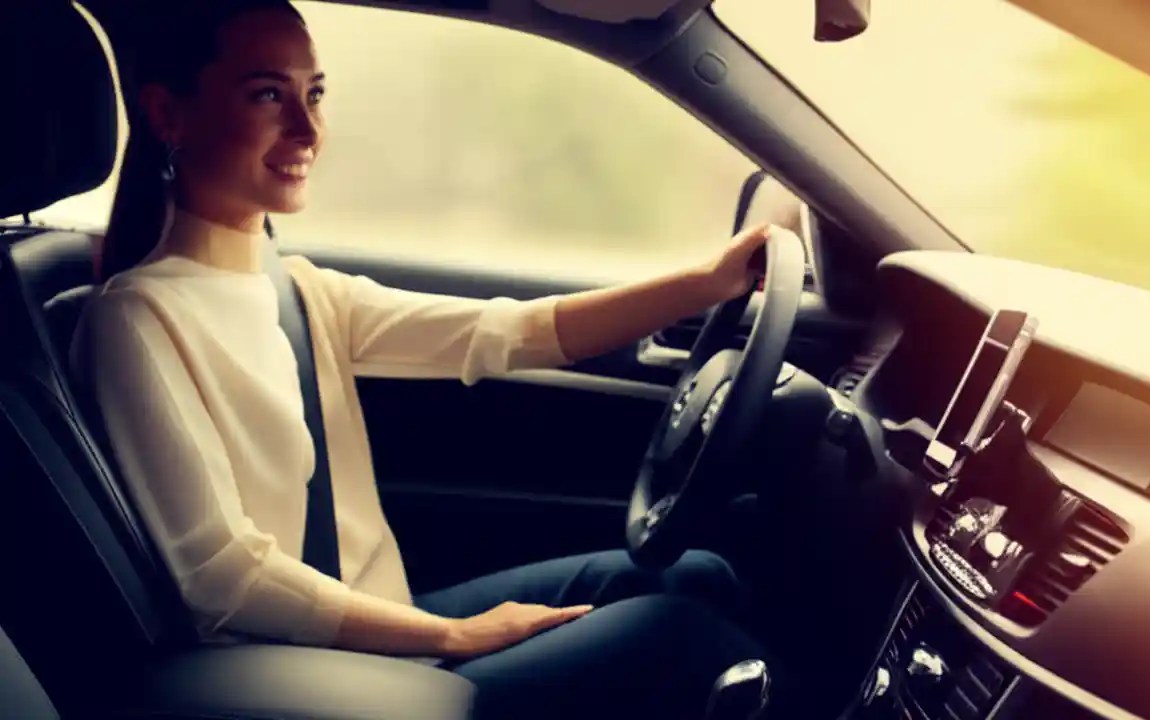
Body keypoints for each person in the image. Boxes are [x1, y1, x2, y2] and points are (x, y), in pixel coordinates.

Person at [72, 1, 784, 717]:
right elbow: (222, 578)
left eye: (314, 94)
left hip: (382, 624)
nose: (308, 129)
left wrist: (705, 283)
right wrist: (457, 633)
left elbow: (510, 331)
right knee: (682, 636)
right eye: (267, 94)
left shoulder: (299, 290)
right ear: (168, 115)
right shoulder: (136, 319)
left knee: (695, 577)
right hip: (307, 672)